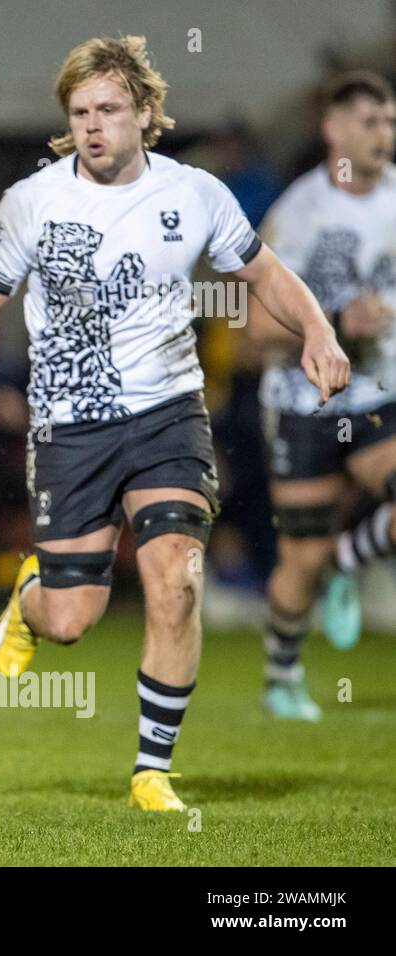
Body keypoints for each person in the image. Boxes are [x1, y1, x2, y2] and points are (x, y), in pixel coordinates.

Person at [0, 35, 350, 812]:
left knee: (177, 575)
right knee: (72, 619)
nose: (93, 126)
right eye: (80, 112)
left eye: (109, 110)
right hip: (68, 428)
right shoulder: (33, 200)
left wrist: (317, 331)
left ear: (145, 113)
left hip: (167, 415)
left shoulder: (194, 193)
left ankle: (152, 769)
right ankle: (31, 601)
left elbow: (264, 273)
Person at [252, 70, 396, 720]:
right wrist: (338, 324)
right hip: (303, 401)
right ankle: (282, 674)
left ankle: (348, 556)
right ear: (333, 130)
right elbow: (254, 329)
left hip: (376, 394)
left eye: (389, 122)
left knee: (326, 552)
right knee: (299, 560)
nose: (383, 135)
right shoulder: (298, 213)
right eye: (369, 122)